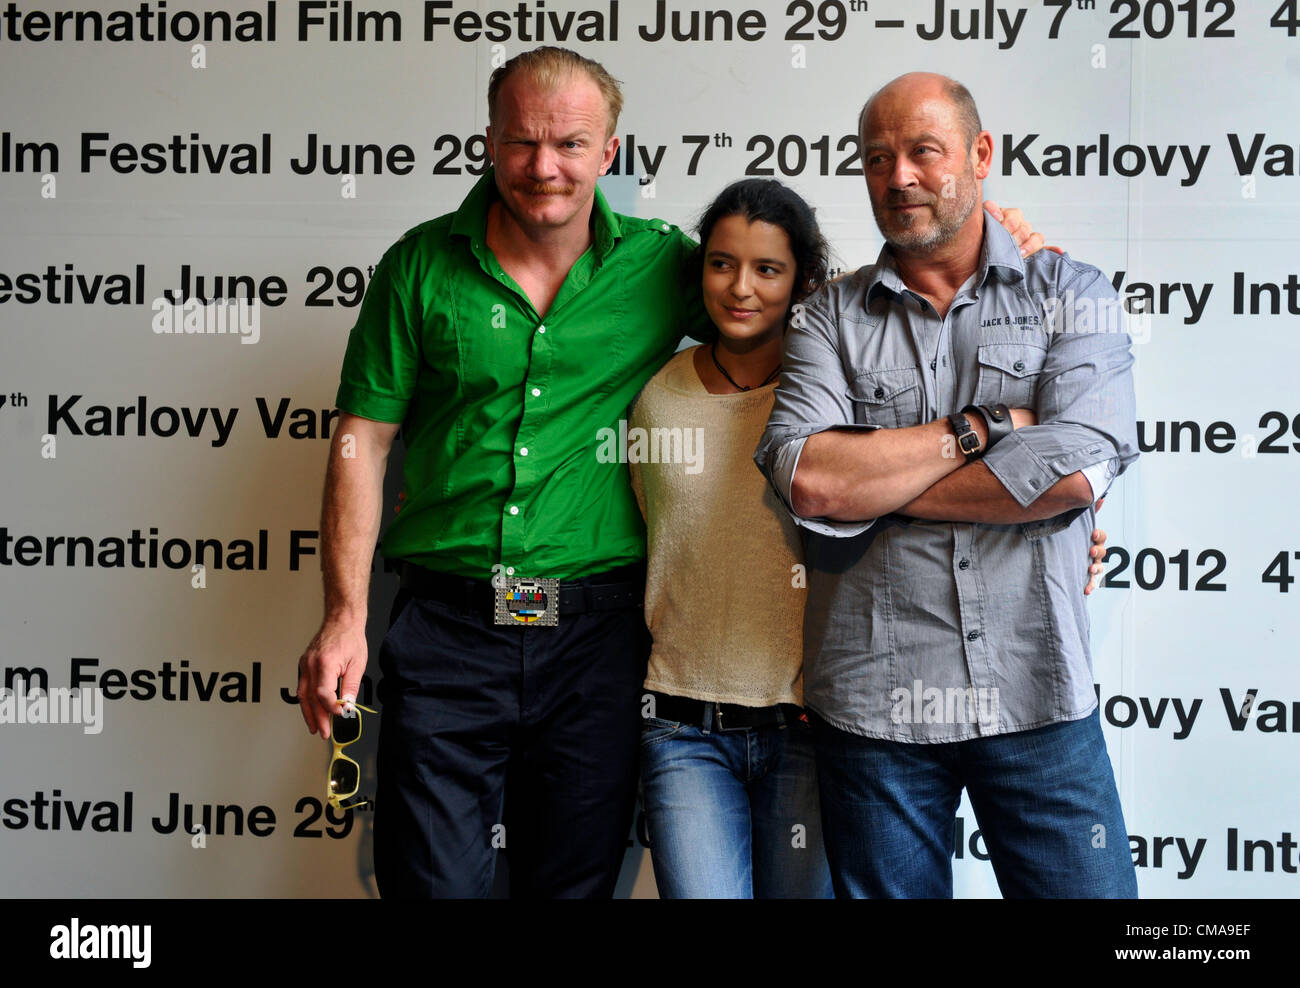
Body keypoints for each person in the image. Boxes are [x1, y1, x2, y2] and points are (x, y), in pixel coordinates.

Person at [295, 45, 1047, 899]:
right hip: (447, 629)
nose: (545, 166)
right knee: (428, 883)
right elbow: (361, 440)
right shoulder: (418, 267)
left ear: (609, 152)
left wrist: (989, 249)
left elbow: (814, 307)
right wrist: (344, 617)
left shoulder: (663, 265)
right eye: (521, 143)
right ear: (490, 141)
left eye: (571, 144)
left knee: (572, 886)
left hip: (596, 642)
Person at [631, 180, 1110, 899]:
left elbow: (1065, 460)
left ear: (804, 281)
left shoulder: (839, 381)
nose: (741, 287)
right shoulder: (655, 395)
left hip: (806, 718)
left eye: (768, 269)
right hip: (681, 722)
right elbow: (636, 541)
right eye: (722, 263)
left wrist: (1069, 532)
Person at [755, 72, 1139, 899]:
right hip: (874, 707)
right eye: (877, 158)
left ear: (980, 155)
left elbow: (1077, 470)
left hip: (1039, 693)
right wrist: (988, 427)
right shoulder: (826, 318)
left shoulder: (1072, 294)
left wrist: (880, 485)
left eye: (923, 152)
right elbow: (811, 480)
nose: (899, 178)